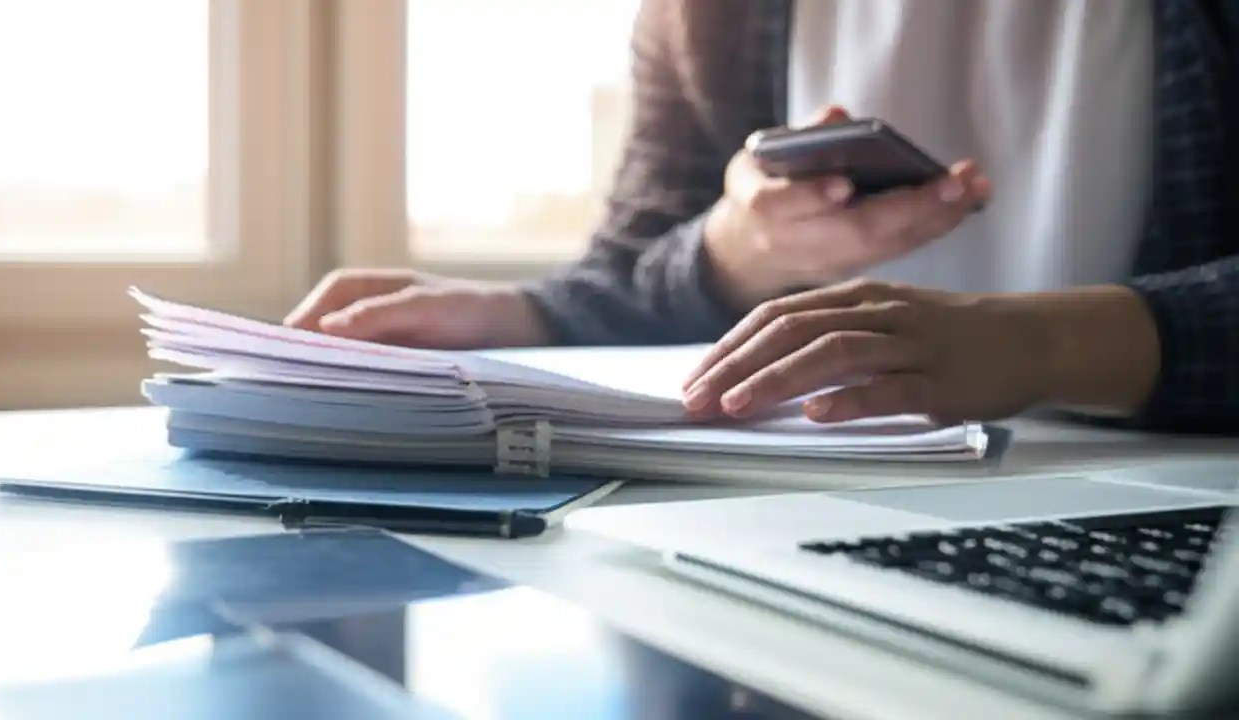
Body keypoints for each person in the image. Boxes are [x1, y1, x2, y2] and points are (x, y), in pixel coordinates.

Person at [286, 0, 1239, 432]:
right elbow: (633, 272)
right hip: (811, 500)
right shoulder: (708, 17)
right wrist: (524, 316)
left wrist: (1039, 345)